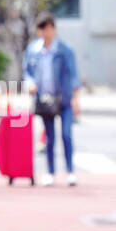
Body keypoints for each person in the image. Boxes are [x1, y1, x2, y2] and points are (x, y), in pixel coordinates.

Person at [23, 13, 81, 187]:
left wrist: (75, 98)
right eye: (41, 30)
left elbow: (73, 75)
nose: (45, 33)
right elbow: (27, 72)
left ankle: (70, 171)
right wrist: (30, 84)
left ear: (54, 29)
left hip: (63, 98)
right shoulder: (34, 50)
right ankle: (50, 171)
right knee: (49, 137)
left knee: (66, 134)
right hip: (44, 99)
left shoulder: (64, 50)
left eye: (48, 29)